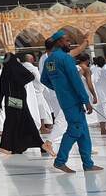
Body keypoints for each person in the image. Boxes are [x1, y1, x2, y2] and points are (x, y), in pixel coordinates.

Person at [40, 30, 101, 173]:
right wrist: (85, 100)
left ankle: (88, 164)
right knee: (75, 129)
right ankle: (60, 161)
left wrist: (60, 88)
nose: (69, 43)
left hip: (65, 99)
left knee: (83, 132)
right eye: (66, 41)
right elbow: (76, 81)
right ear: (59, 42)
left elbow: (44, 80)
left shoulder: (50, 60)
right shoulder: (65, 58)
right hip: (74, 100)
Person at [0, 53, 49, 156]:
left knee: (12, 122)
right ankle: (23, 146)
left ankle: (6, 146)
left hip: (16, 99)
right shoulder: (8, 70)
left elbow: (30, 76)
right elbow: (2, 88)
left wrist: (20, 82)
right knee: (22, 121)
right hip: (12, 99)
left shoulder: (14, 69)